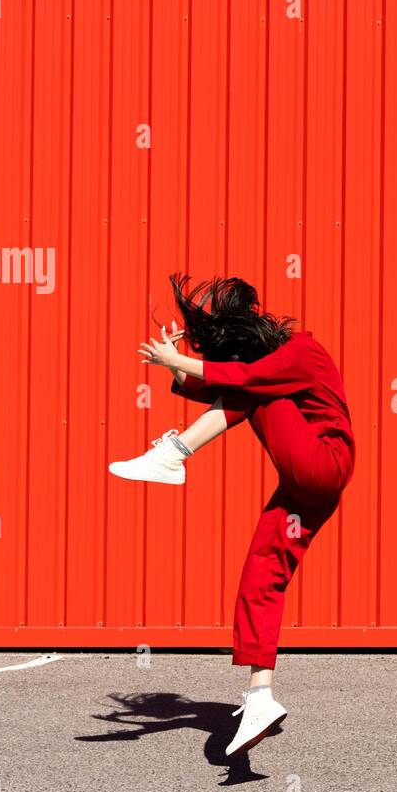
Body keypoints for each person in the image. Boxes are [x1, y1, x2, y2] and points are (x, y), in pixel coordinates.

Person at [109, 274, 355, 758]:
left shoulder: (303, 351)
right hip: (304, 485)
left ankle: (175, 453)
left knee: (257, 388)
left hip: (325, 461)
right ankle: (260, 696)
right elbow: (229, 391)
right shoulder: (266, 372)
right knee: (261, 577)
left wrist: (180, 361)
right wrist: (181, 373)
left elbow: (246, 382)